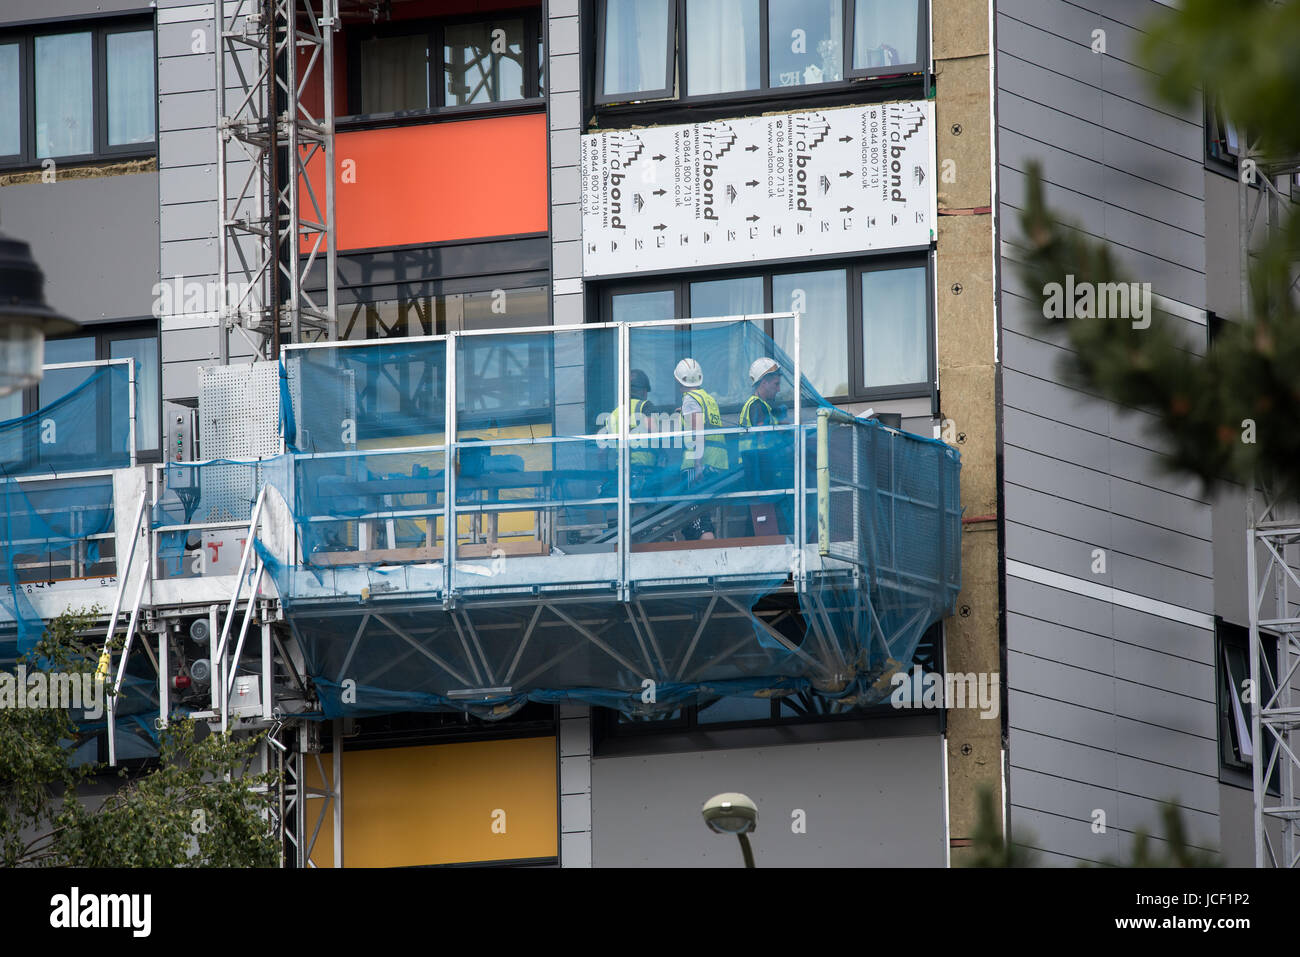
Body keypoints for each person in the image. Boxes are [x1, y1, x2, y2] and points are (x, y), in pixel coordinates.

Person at [674, 357, 729, 540]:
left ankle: (709, 554)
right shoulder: (708, 398)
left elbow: (698, 431)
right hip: (717, 462)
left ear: (679, 382)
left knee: (698, 519)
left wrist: (698, 465)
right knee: (695, 520)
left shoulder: (690, 400)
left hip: (698, 465)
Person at [739, 357, 791, 536]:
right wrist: (783, 429)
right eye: (775, 384)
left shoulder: (764, 406)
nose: (778, 389)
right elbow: (762, 431)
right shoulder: (755, 405)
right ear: (764, 381)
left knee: (758, 518)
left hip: (761, 469)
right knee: (761, 514)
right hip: (756, 470)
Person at [604, 368, 658, 495]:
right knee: (646, 510)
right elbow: (655, 433)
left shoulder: (615, 413)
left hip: (620, 471)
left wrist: (605, 476)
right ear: (644, 391)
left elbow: (602, 452)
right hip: (644, 470)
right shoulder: (646, 407)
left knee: (627, 510)